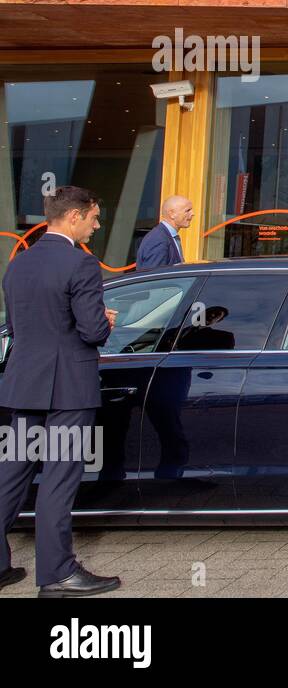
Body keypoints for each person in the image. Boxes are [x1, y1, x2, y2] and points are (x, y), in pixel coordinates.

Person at [0, 186, 122, 596]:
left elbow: (18, 329)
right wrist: (105, 320)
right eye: (94, 218)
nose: (97, 225)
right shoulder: (79, 264)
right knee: (58, 479)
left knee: (11, 475)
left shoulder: (18, 264)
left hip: (23, 382)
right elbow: (92, 330)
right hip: (68, 386)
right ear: (74, 216)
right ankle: (56, 574)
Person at [136, 195, 193, 270]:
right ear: (172, 214)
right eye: (187, 210)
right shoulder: (158, 239)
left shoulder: (165, 236)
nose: (192, 214)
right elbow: (154, 277)